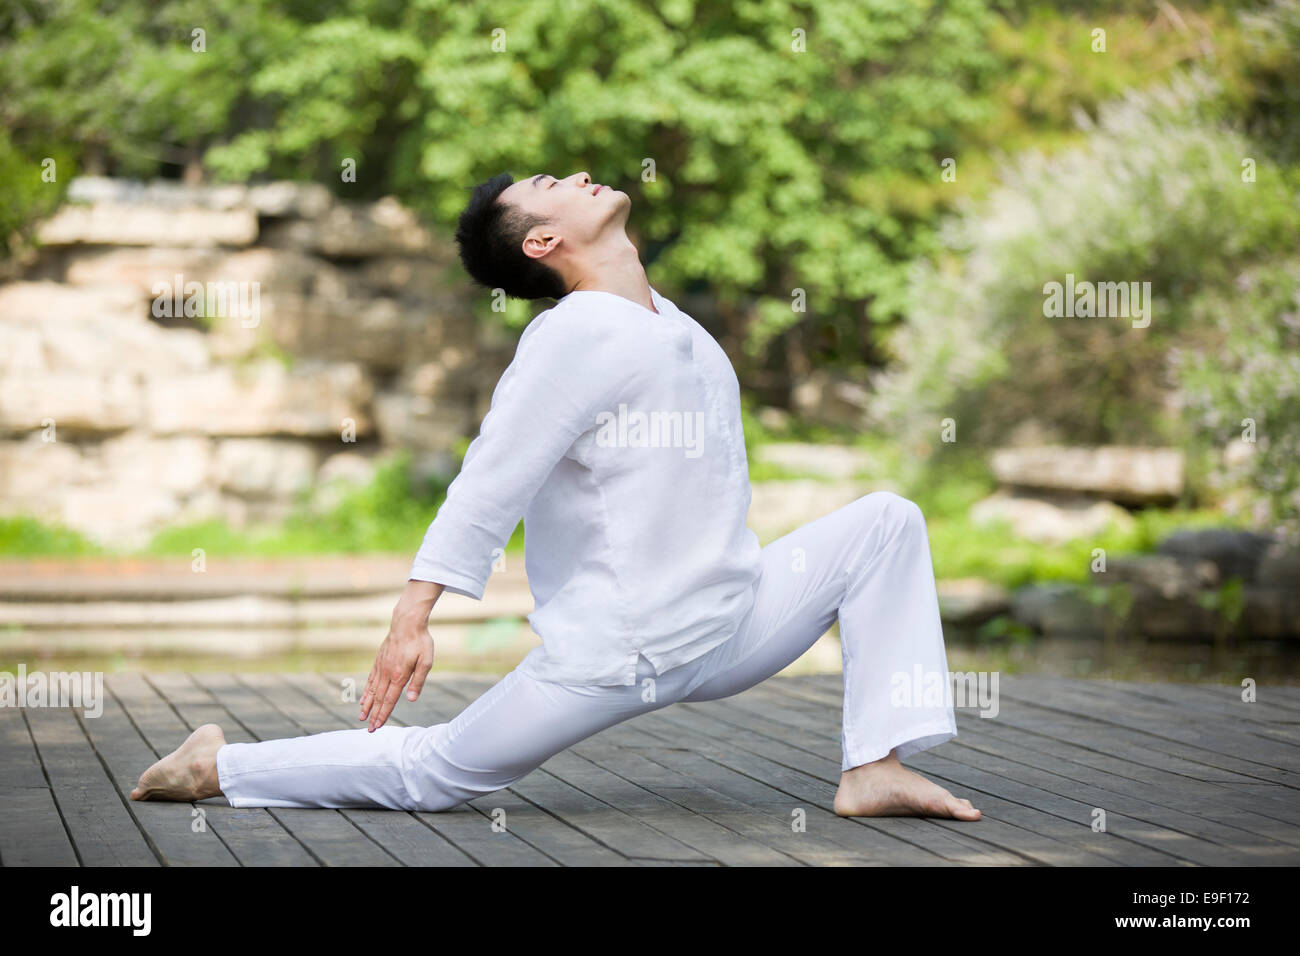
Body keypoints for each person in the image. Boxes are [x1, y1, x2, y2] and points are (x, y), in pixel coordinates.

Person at [132, 171, 980, 822]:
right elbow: (493, 473)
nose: (578, 176)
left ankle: (874, 764)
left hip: (731, 614)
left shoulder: (671, 322)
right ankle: (220, 765)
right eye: (553, 187)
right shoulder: (569, 335)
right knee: (433, 774)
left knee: (887, 523)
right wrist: (411, 616)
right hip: (627, 649)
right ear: (542, 241)